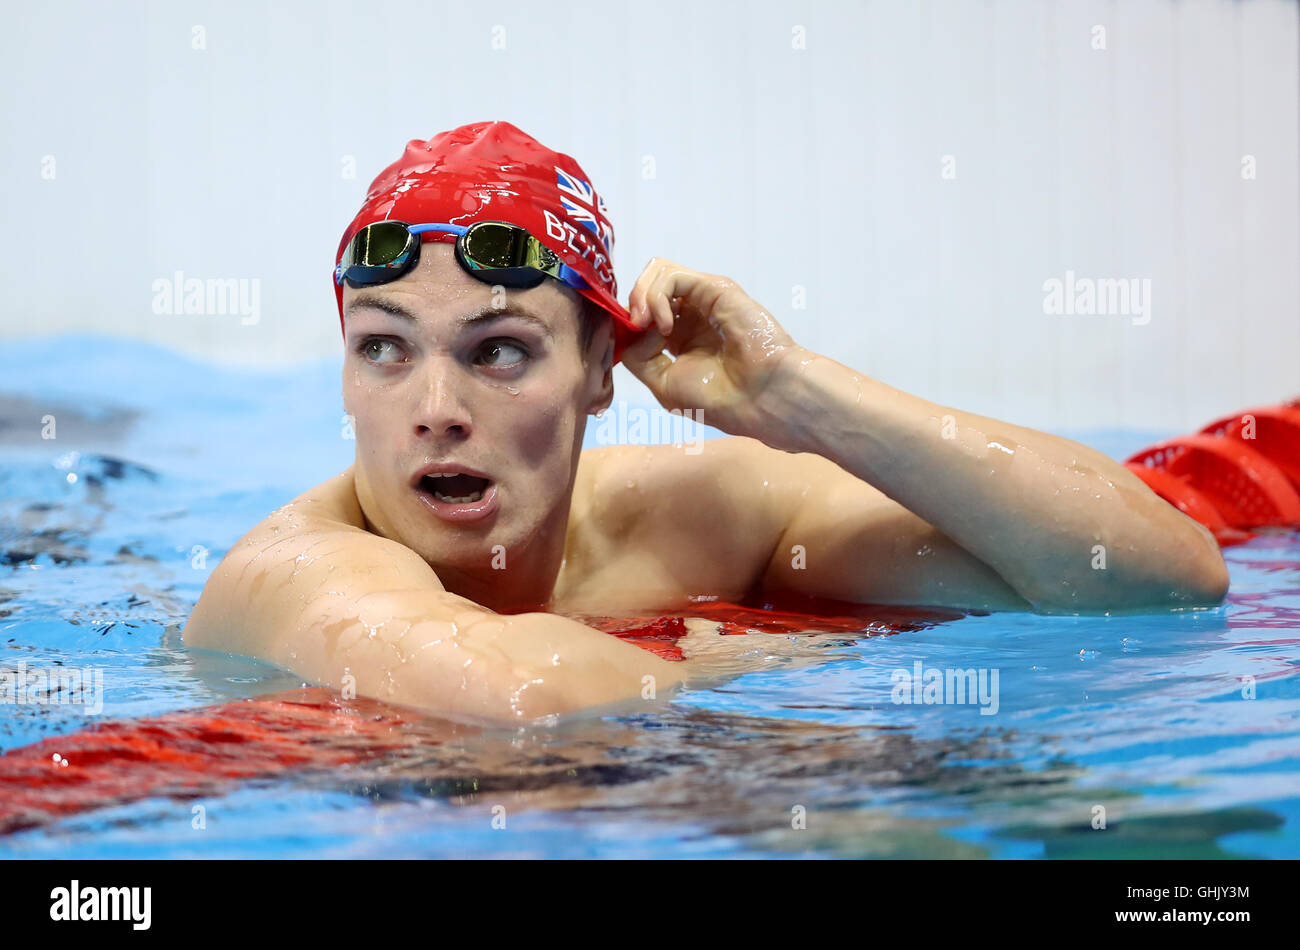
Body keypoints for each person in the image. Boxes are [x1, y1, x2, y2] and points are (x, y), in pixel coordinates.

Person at [183, 121, 1229, 725]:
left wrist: (800, 399)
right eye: (384, 346)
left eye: (498, 350)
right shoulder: (299, 570)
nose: (436, 412)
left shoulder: (703, 516)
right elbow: (516, 694)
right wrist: (738, 661)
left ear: (602, 371)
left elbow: (1156, 578)